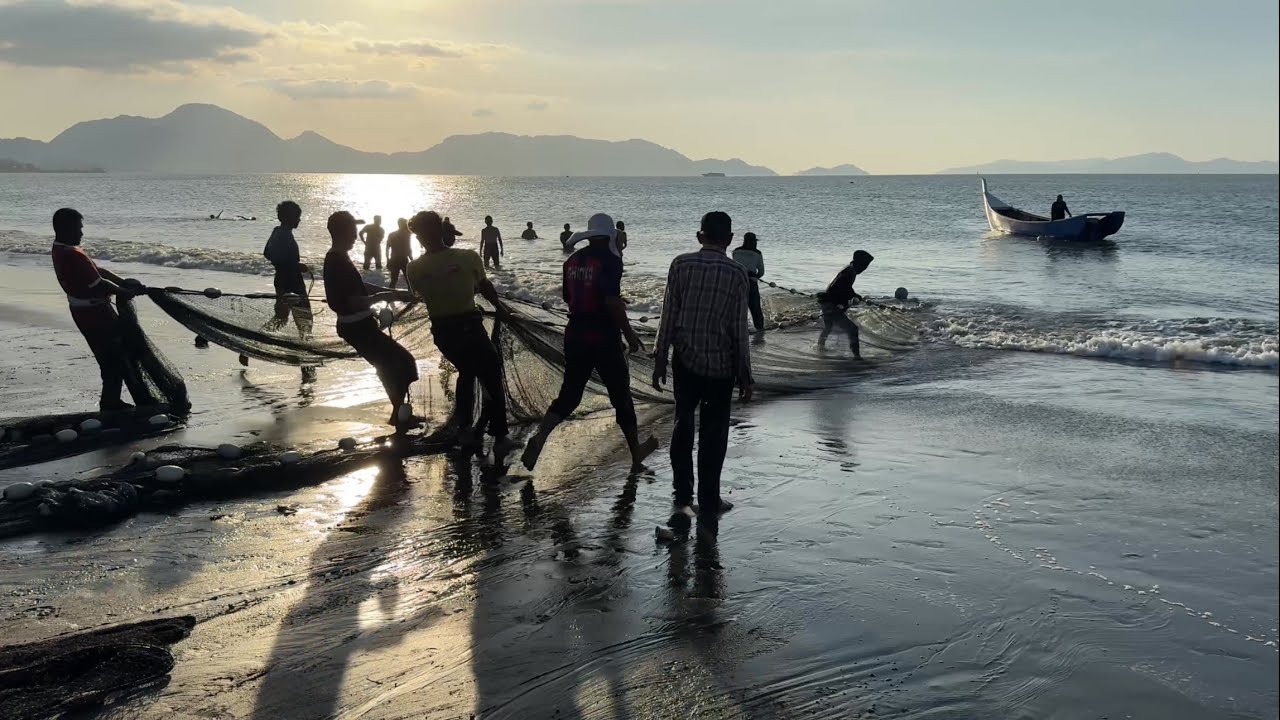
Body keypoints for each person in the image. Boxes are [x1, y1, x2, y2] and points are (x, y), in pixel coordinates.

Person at [521, 213, 658, 474]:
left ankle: (540, 437)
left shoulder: (572, 261)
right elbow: (611, 301)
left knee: (570, 395)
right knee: (621, 395)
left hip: (575, 334)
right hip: (603, 337)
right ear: (609, 235)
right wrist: (629, 334)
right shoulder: (610, 260)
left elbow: (568, 296)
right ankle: (636, 452)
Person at [653, 211, 753, 519]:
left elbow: (668, 315)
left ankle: (683, 494)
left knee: (683, 425)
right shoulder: (737, 273)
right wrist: (744, 374)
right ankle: (709, 498)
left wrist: (660, 357)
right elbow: (738, 328)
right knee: (714, 433)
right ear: (730, 239)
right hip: (721, 367)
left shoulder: (680, 264)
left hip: (685, 361)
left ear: (700, 236)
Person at [406, 210, 517, 457]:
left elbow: (425, 294)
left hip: (445, 331)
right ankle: (498, 436)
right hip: (466, 326)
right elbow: (484, 287)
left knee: (467, 372)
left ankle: (468, 429)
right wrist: (500, 308)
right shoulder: (467, 258)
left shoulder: (414, 268)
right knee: (489, 372)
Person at [323, 211, 419, 427]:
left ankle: (399, 413)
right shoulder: (335, 260)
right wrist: (381, 297)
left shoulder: (341, 257)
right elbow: (343, 301)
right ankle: (399, 416)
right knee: (398, 364)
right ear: (342, 231)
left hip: (362, 324)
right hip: (355, 327)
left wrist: (392, 292)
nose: (355, 235)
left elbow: (359, 287)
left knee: (396, 364)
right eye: (352, 230)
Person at [51, 208, 139, 412]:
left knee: (112, 357)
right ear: (65, 229)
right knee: (111, 359)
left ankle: (112, 401)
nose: (81, 233)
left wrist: (123, 282)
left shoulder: (64, 249)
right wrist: (124, 292)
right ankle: (110, 403)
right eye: (78, 228)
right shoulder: (72, 255)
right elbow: (100, 284)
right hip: (94, 315)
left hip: (86, 311)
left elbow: (98, 271)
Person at [259, 200, 314, 378]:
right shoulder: (284, 235)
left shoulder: (278, 232)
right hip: (292, 282)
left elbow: (267, 253)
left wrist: (289, 264)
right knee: (305, 322)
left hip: (282, 280)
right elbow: (280, 258)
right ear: (290, 218)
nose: (299, 220)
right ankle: (308, 365)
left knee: (281, 318)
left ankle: (253, 344)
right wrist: (296, 266)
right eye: (297, 217)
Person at [816, 250, 874, 358]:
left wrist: (853, 295)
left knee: (828, 327)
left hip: (827, 302)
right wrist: (854, 296)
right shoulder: (850, 271)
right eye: (865, 265)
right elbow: (844, 288)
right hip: (831, 304)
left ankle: (820, 348)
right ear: (858, 262)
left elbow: (842, 287)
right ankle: (857, 357)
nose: (864, 268)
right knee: (853, 329)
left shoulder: (848, 270)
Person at [732, 232, 766, 332]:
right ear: (754, 242)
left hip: (736, 282)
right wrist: (756, 277)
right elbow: (761, 271)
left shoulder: (736, 251)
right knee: (755, 308)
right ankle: (760, 330)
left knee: (737, 308)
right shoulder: (757, 253)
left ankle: (737, 328)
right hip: (751, 282)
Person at [386, 217, 412, 289]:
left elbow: (387, 248)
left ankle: (390, 293)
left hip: (395, 259)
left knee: (394, 280)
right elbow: (408, 248)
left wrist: (388, 259)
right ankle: (411, 293)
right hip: (403, 259)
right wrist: (411, 259)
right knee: (408, 280)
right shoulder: (407, 234)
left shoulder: (392, 234)